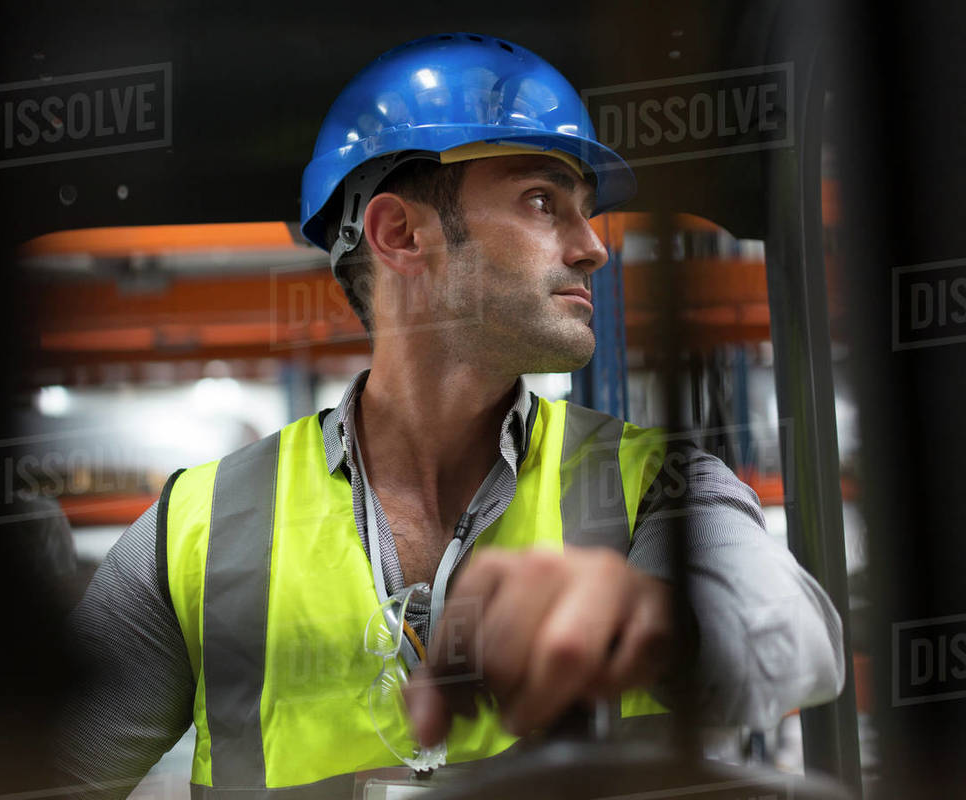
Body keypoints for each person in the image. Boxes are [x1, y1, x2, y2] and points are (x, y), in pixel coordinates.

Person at [57, 32, 845, 799]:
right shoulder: (198, 524)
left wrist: (664, 616)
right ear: (400, 234)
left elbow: (798, 635)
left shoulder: (652, 487)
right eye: (544, 201)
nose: (592, 247)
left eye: (586, 209)